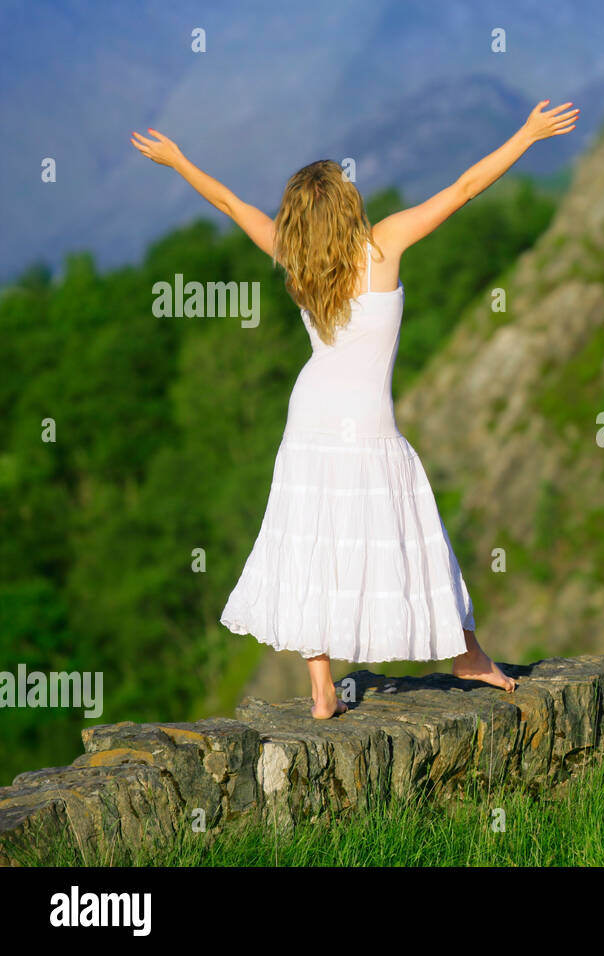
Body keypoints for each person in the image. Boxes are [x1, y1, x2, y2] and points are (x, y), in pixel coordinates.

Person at [130, 99, 579, 718]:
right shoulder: (383, 245)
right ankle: (467, 654)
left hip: (308, 420)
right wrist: (528, 133)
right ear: (347, 206)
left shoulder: (295, 259)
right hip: (365, 423)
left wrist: (178, 160)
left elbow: (234, 206)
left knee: (312, 541)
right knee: (415, 534)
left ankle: (321, 691)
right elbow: (466, 188)